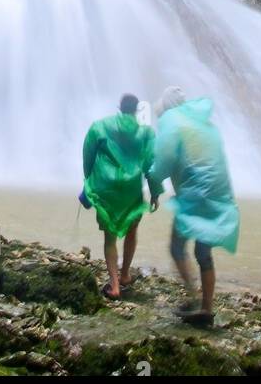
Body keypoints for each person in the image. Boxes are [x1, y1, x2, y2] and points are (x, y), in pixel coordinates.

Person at [148, 86, 240, 328]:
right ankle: (206, 307)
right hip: (218, 191)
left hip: (195, 193)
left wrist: (153, 178)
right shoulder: (203, 123)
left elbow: (164, 160)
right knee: (203, 251)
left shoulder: (171, 120)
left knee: (177, 247)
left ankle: (194, 297)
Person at [82, 94, 156, 299]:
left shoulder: (99, 127)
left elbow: (88, 155)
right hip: (131, 189)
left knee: (110, 237)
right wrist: (155, 192)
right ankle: (125, 275)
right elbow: (151, 164)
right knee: (132, 231)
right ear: (136, 110)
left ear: (119, 108)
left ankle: (114, 286)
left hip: (106, 188)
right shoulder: (146, 133)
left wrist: (88, 180)